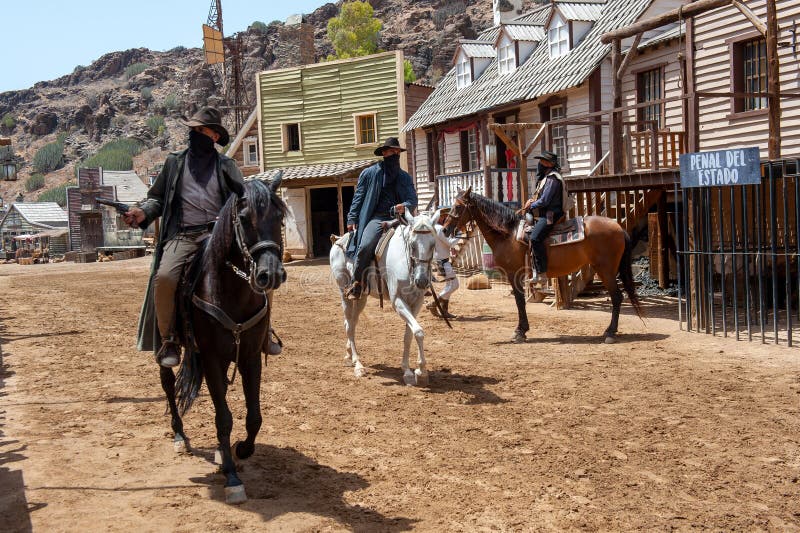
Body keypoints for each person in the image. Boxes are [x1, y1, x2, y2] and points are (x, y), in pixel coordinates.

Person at [123, 106, 278, 368]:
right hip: (182, 236)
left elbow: (244, 201)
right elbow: (157, 198)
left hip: (220, 237)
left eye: (200, 130)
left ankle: (264, 331)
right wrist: (143, 212)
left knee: (262, 274)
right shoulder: (175, 162)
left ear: (214, 136)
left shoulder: (227, 165)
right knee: (165, 277)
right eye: (192, 130)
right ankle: (169, 339)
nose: (194, 134)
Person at [344, 137, 418, 300]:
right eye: (392, 151)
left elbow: (412, 200)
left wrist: (403, 206)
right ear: (384, 153)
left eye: (398, 152)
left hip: (401, 219)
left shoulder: (404, 177)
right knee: (365, 246)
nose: (396, 154)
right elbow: (358, 197)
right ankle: (357, 283)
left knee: (422, 241)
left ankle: (424, 280)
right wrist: (351, 218)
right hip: (377, 218)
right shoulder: (369, 174)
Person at [522, 150, 565, 283]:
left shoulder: (553, 179)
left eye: (542, 161)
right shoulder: (547, 178)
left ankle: (542, 273)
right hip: (545, 213)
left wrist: (532, 205)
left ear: (548, 164)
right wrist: (532, 202)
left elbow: (545, 200)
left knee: (535, 238)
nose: (539, 164)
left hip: (550, 214)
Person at [426, 209, 461, 319]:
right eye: (445, 216)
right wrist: (460, 235)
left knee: (449, 285)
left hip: (440, 260)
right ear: (440, 217)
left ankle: (444, 311)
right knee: (455, 285)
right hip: (443, 261)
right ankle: (434, 303)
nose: (447, 218)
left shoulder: (433, 228)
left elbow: (444, 243)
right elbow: (450, 243)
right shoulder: (439, 229)